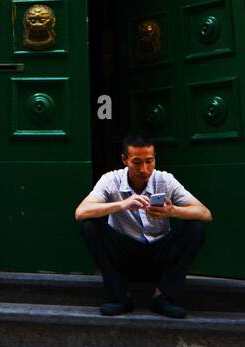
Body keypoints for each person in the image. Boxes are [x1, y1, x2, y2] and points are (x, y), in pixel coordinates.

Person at [74, 134, 212, 318]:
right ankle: (119, 297)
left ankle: (165, 296)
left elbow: (205, 213)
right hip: (125, 256)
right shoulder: (111, 180)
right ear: (124, 160)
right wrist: (122, 204)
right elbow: (81, 212)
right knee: (89, 226)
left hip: (158, 255)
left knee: (195, 228)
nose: (144, 169)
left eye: (149, 161)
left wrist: (172, 212)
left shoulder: (165, 180)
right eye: (137, 162)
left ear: (155, 158)